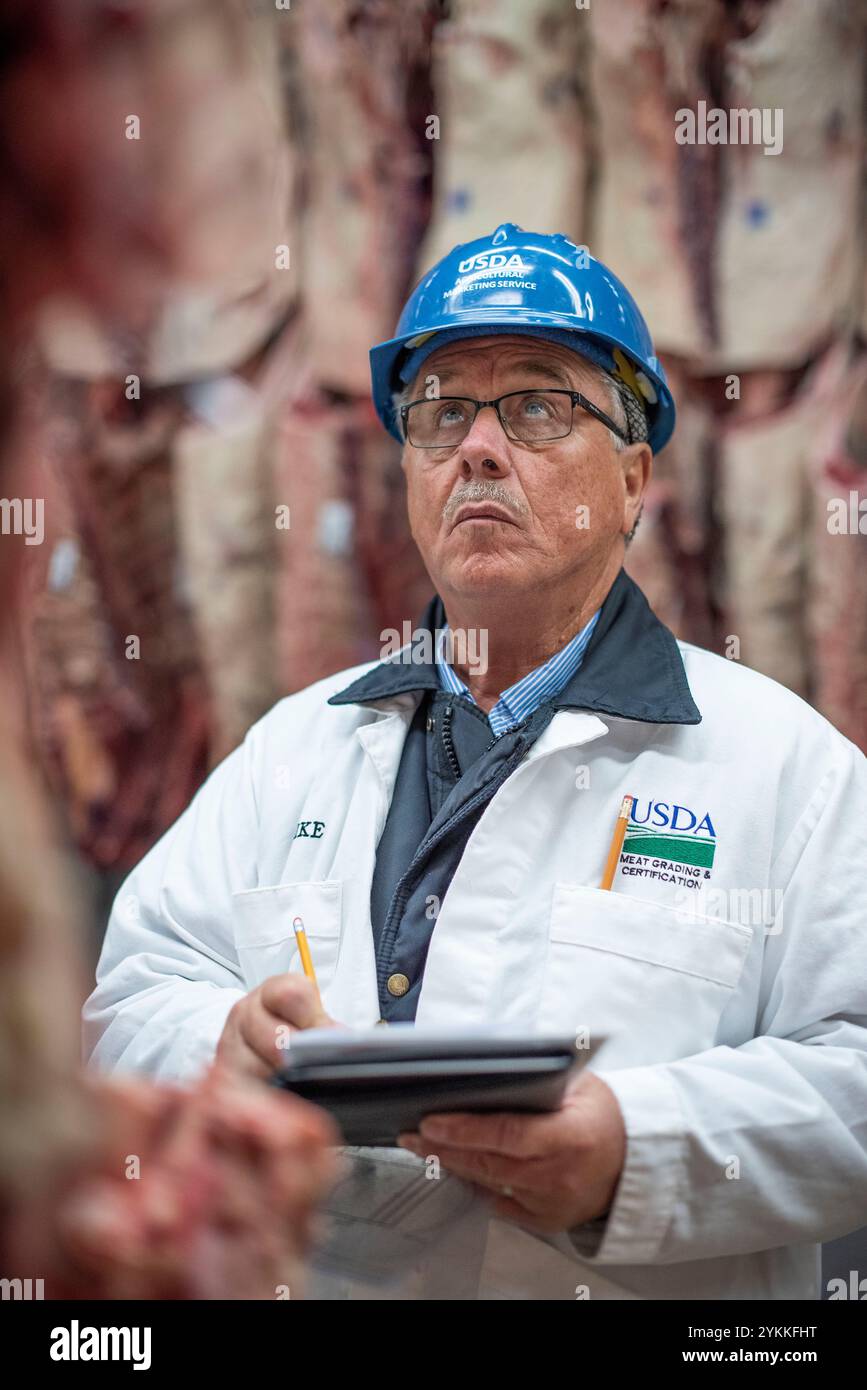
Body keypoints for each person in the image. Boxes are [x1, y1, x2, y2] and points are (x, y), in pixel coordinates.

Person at [85, 224, 867, 1300]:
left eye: (540, 406)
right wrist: (222, 1045)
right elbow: (132, 993)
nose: (479, 448)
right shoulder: (292, 748)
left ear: (634, 480)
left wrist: (632, 1149)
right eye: (443, 411)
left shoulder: (788, 768)